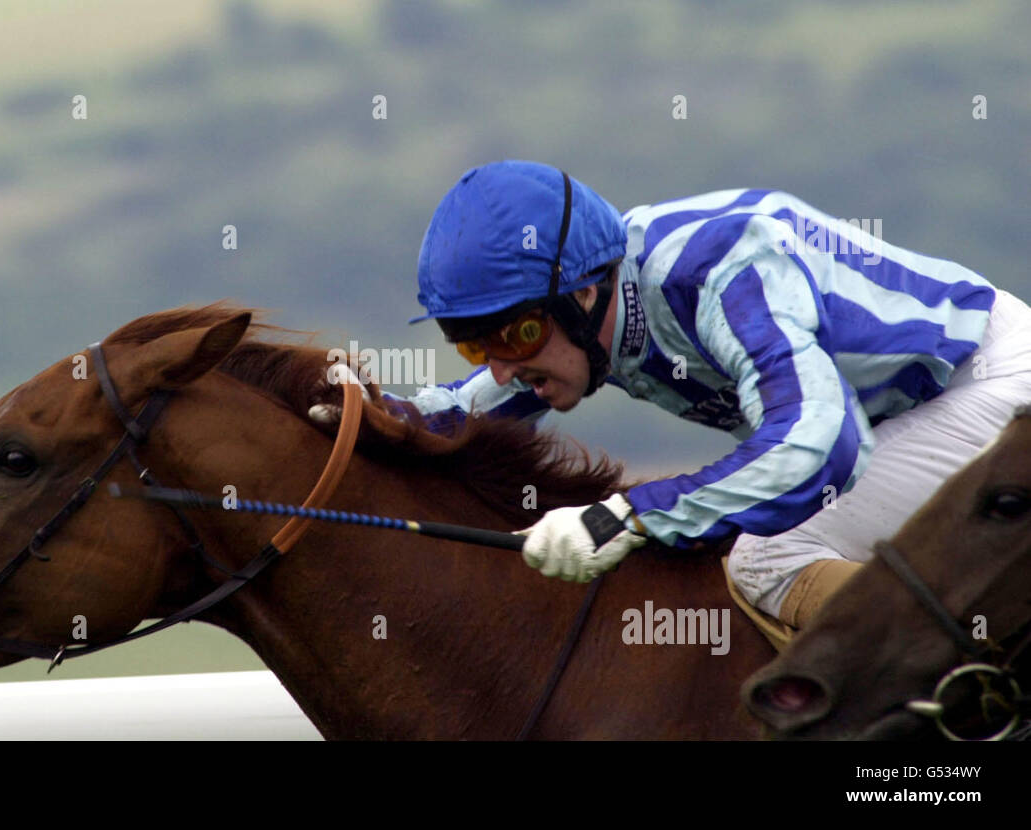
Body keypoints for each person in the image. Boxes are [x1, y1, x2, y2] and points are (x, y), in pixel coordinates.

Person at [320, 160, 1031, 632]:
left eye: (517, 333)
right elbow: (458, 411)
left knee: (766, 558)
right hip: (924, 408)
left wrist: (629, 515)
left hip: (991, 388)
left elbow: (820, 442)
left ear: (584, 294)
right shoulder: (588, 316)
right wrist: (359, 419)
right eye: (475, 344)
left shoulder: (722, 271)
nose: (502, 369)